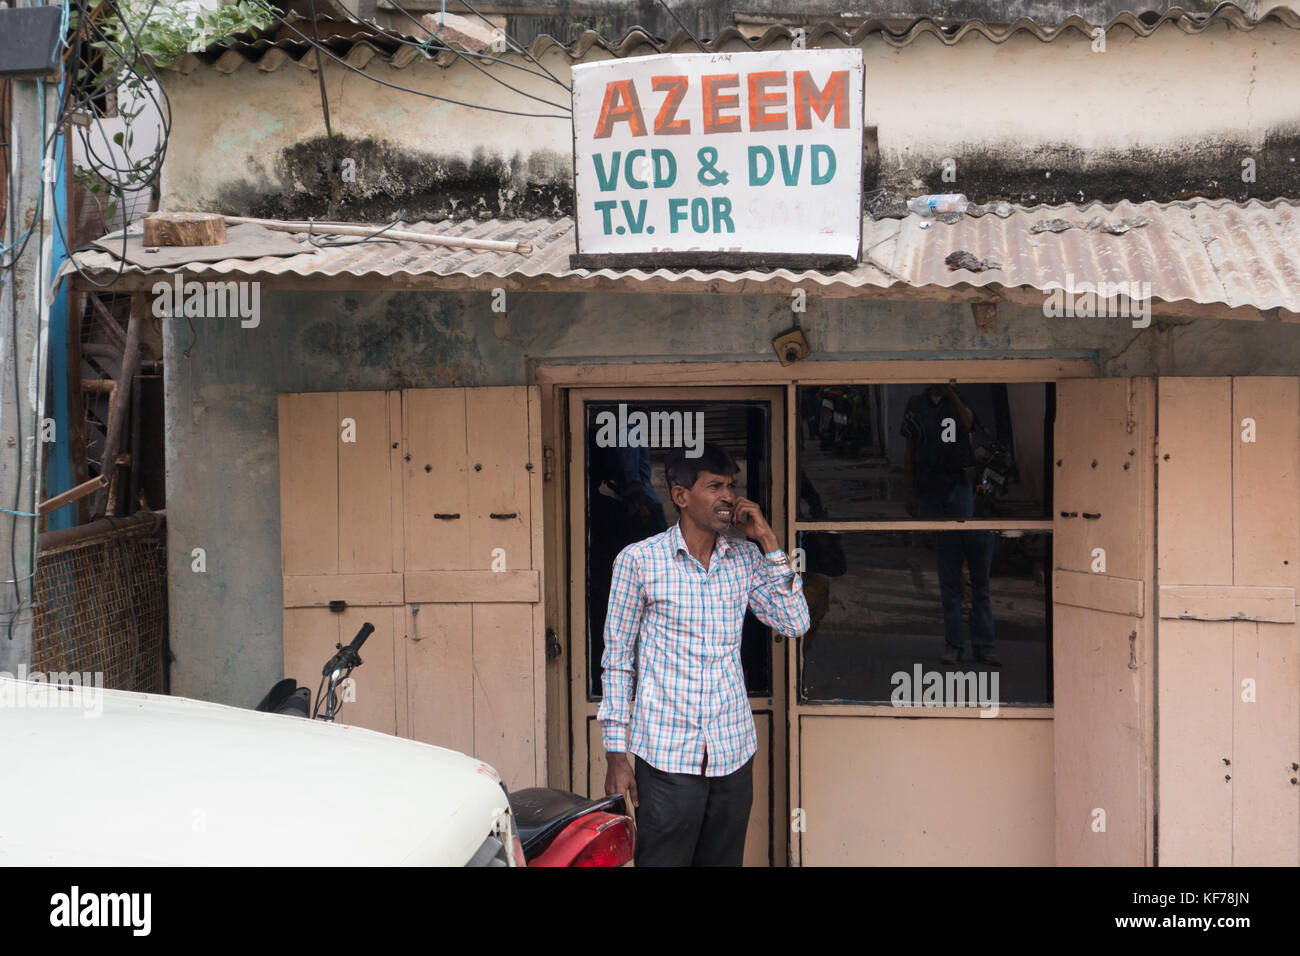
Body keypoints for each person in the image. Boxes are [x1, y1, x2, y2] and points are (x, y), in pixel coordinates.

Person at [598, 442, 810, 866]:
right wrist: (616, 754)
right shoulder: (639, 561)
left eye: (731, 486)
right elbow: (618, 661)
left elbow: (795, 622)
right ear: (680, 496)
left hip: (732, 754)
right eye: (714, 486)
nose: (729, 497)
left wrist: (768, 540)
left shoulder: (747, 559)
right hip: (666, 756)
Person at [901, 384, 999, 667]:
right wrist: (909, 491)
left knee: (978, 578)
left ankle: (985, 645)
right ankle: (954, 644)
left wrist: (952, 394)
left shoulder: (959, 401)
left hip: (960, 486)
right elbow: (909, 448)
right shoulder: (915, 404)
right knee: (949, 572)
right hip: (932, 488)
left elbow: (967, 423)